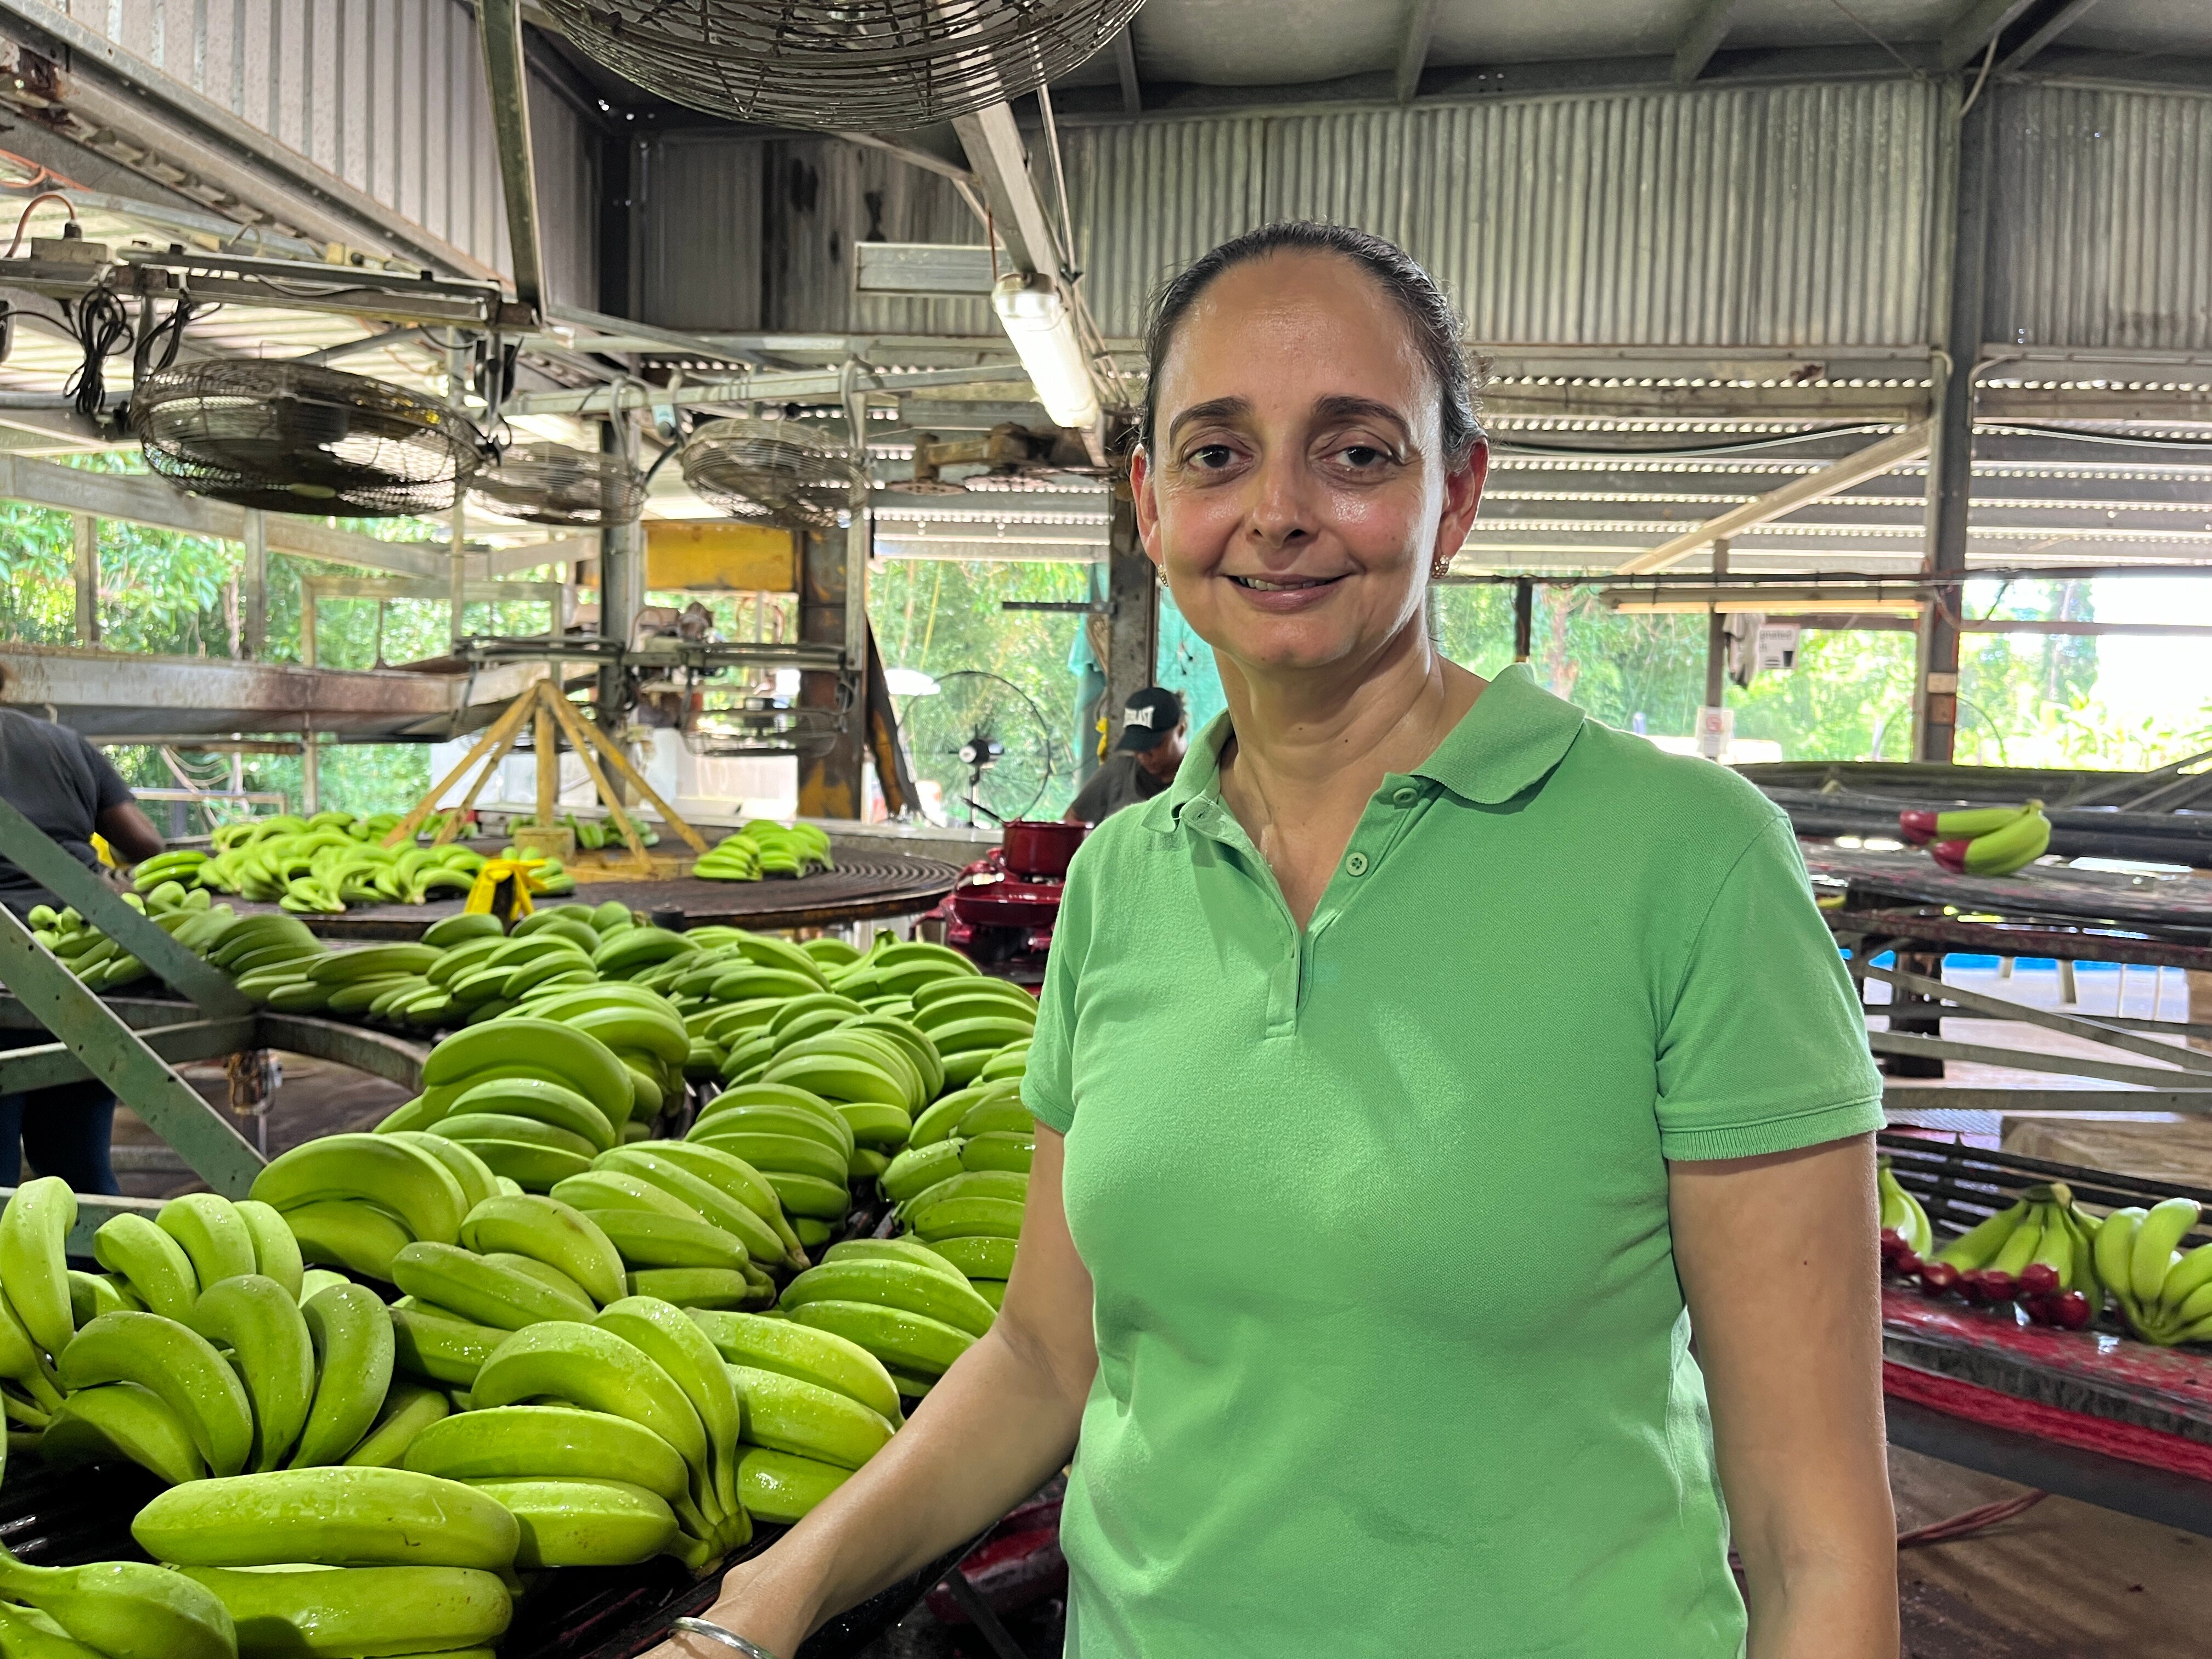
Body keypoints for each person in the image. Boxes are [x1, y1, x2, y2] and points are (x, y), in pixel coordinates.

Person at [652, 223, 1896, 1659]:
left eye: (1357, 453)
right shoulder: (1124, 878)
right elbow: (1047, 1357)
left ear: (1457, 495)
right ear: (1148, 501)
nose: (1280, 511)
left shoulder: (1687, 864)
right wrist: (760, 1610)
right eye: (1216, 453)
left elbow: (1816, 1555)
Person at [0, 695, 165, 1195]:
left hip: (5, 981)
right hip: (82, 963)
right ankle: (100, 1265)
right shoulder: (63, 742)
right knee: (78, 1166)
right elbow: (147, 846)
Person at [1062, 686, 1187, 825]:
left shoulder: (1204, 777)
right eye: (1137, 746)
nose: (1142, 756)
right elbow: (1072, 821)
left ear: (1180, 729)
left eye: (1153, 745)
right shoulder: (1117, 773)